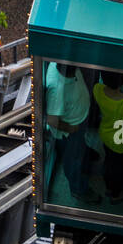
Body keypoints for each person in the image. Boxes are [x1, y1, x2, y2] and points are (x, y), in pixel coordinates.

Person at [45, 62, 95, 204]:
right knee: (72, 161)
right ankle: (78, 190)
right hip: (70, 132)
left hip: (78, 122)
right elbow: (52, 120)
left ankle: (85, 156)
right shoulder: (57, 89)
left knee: (78, 151)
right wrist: (70, 128)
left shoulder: (63, 67)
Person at [92, 72, 123, 202]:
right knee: (119, 167)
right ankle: (116, 194)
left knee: (109, 158)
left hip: (105, 133)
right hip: (121, 140)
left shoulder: (98, 88)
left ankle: (108, 181)